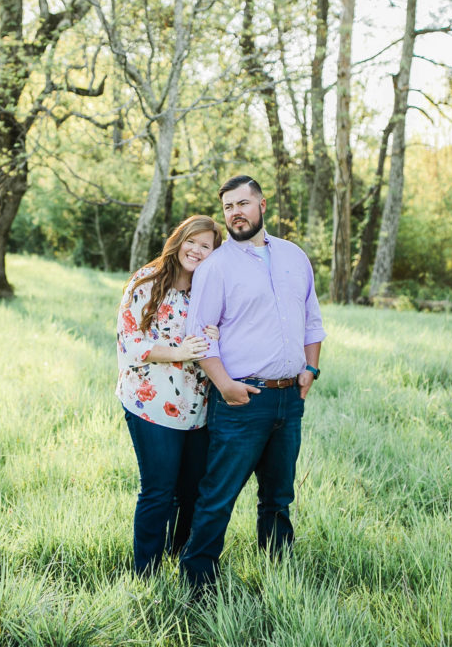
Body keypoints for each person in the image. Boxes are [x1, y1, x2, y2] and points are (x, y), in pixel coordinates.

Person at [179, 175, 326, 590]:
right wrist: (225, 385)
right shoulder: (216, 267)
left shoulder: (295, 256)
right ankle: (197, 584)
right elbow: (200, 336)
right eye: (228, 207)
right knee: (218, 495)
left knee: (279, 497)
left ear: (262, 205)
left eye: (242, 204)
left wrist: (311, 369)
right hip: (241, 399)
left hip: (289, 398)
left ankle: (279, 574)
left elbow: (312, 319)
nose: (235, 213)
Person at [116, 214, 224, 574]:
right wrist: (180, 351)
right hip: (151, 404)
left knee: (192, 492)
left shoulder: (208, 291)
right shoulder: (146, 282)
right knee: (158, 490)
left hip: (197, 408)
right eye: (191, 241)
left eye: (205, 246)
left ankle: (181, 558)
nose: (196, 250)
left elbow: (221, 341)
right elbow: (130, 344)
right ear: (178, 241)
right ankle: (146, 571)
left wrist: (218, 336)